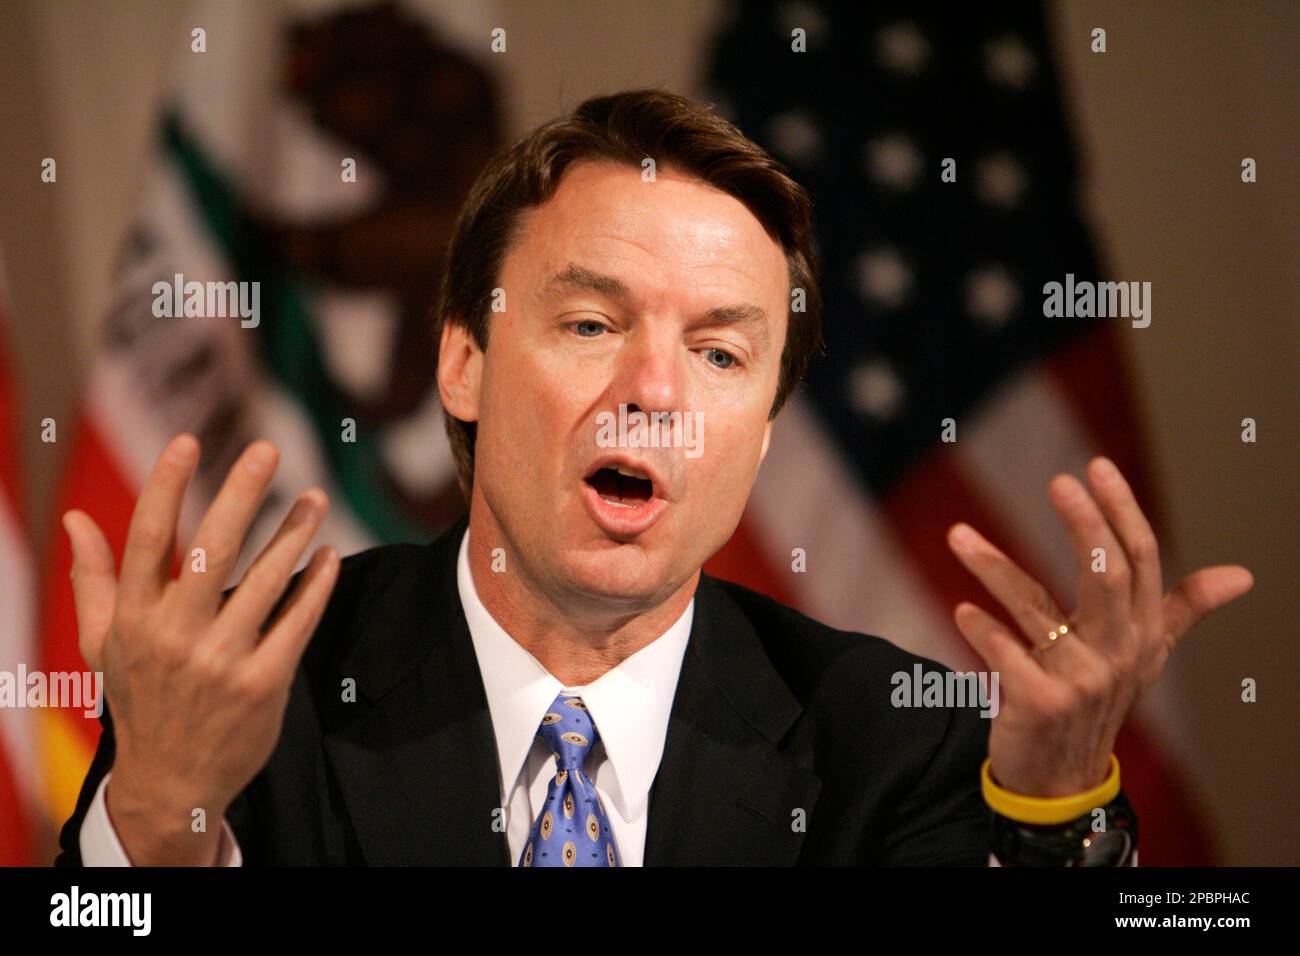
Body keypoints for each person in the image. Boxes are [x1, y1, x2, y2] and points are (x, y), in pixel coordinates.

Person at [54, 89, 1252, 867]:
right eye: (589, 324)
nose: (655, 390)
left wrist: (1050, 802)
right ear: (462, 359)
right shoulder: (261, 699)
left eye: (721, 352)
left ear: (765, 433)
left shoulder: (887, 742)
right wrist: (162, 809)